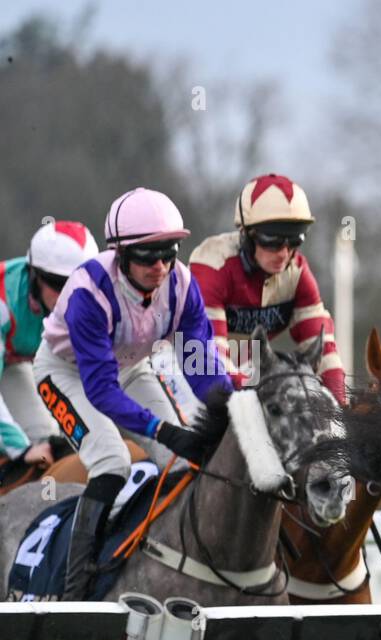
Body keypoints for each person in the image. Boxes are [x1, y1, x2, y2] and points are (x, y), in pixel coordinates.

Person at [35, 187, 233, 599]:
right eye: (147, 256)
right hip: (68, 372)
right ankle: (76, 589)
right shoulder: (90, 291)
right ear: (120, 253)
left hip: (130, 366)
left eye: (169, 252)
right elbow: (102, 391)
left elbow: (200, 366)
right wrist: (160, 430)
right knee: (112, 462)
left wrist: (232, 408)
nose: (160, 266)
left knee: (181, 463)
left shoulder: (182, 284)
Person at [189, 174, 346, 404]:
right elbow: (208, 353)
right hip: (189, 366)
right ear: (246, 235)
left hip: (244, 370)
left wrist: (341, 408)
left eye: (294, 240)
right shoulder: (212, 263)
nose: (284, 253)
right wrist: (258, 392)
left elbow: (324, 350)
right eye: (272, 240)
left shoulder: (298, 271)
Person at [0, 220, 98, 469]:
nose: (69, 297)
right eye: (59, 284)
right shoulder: (3, 303)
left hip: (11, 363)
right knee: (21, 448)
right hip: (10, 358)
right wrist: (20, 450)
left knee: (44, 437)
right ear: (34, 275)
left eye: (78, 286)